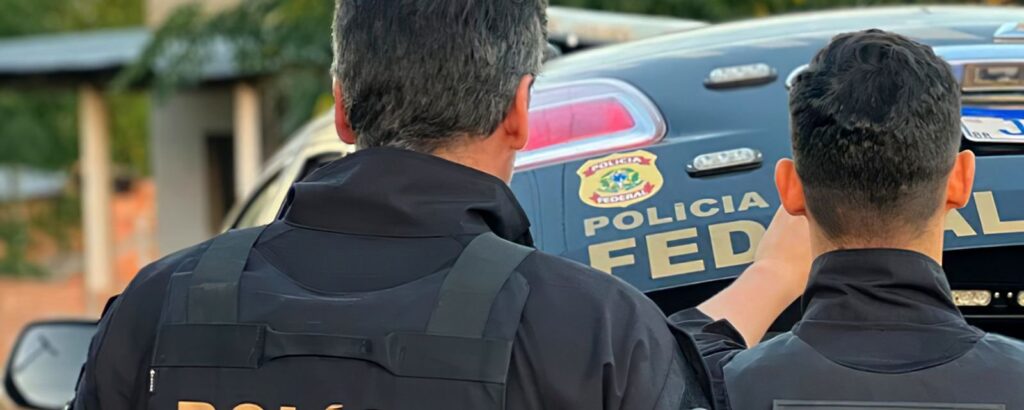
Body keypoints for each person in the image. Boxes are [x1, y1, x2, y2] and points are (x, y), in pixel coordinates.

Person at [70, 1, 812, 409]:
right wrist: (775, 276)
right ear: (520, 110)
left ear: (341, 110)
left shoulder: (157, 310)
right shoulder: (592, 332)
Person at [673, 29, 1024, 409]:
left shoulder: (723, 387)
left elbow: (668, 361)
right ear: (961, 180)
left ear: (789, 189)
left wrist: (771, 273)